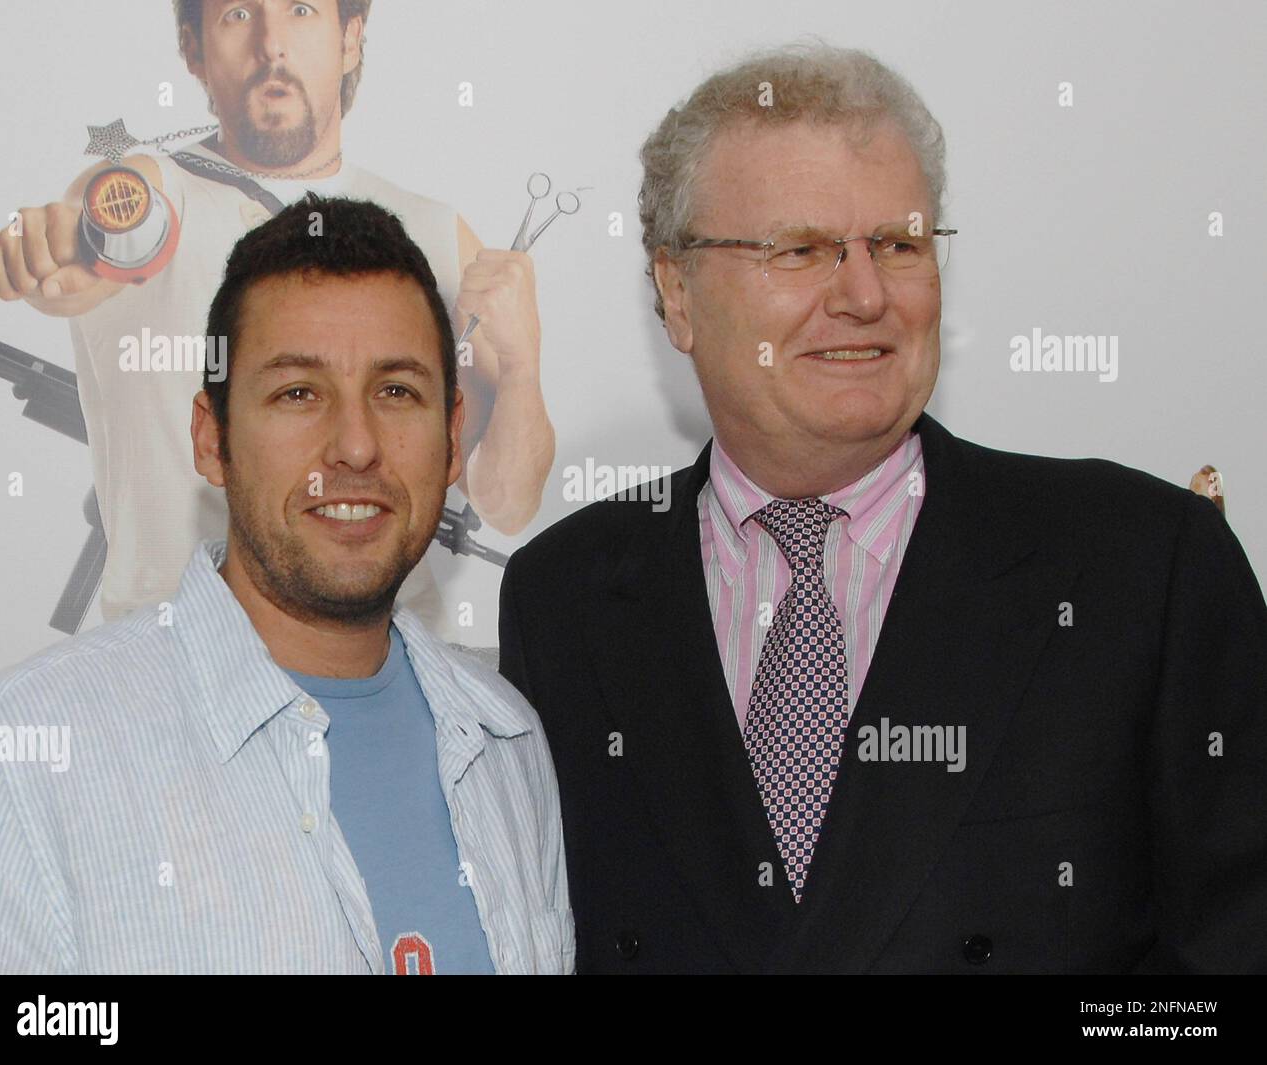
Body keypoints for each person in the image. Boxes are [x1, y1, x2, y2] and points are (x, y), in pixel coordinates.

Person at [497, 43, 1267, 973]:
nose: (864, 296)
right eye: (801, 249)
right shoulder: (565, 598)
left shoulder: (1142, 569)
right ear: (678, 292)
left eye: (898, 245)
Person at [0, 195, 572, 975]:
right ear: (211, 439)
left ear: (453, 440)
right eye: (297, 392)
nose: (355, 445)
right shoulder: (18, 763)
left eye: (396, 392)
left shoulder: (508, 743)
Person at [0, 0, 553, 635]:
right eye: (237, 15)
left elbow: (504, 501)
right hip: (173, 680)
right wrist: (58, 249)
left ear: (350, 39)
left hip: (388, 672)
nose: (271, 44)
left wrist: (523, 366)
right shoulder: (147, 195)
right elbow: (85, 255)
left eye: (302, 10)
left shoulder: (442, 237)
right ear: (192, 49)